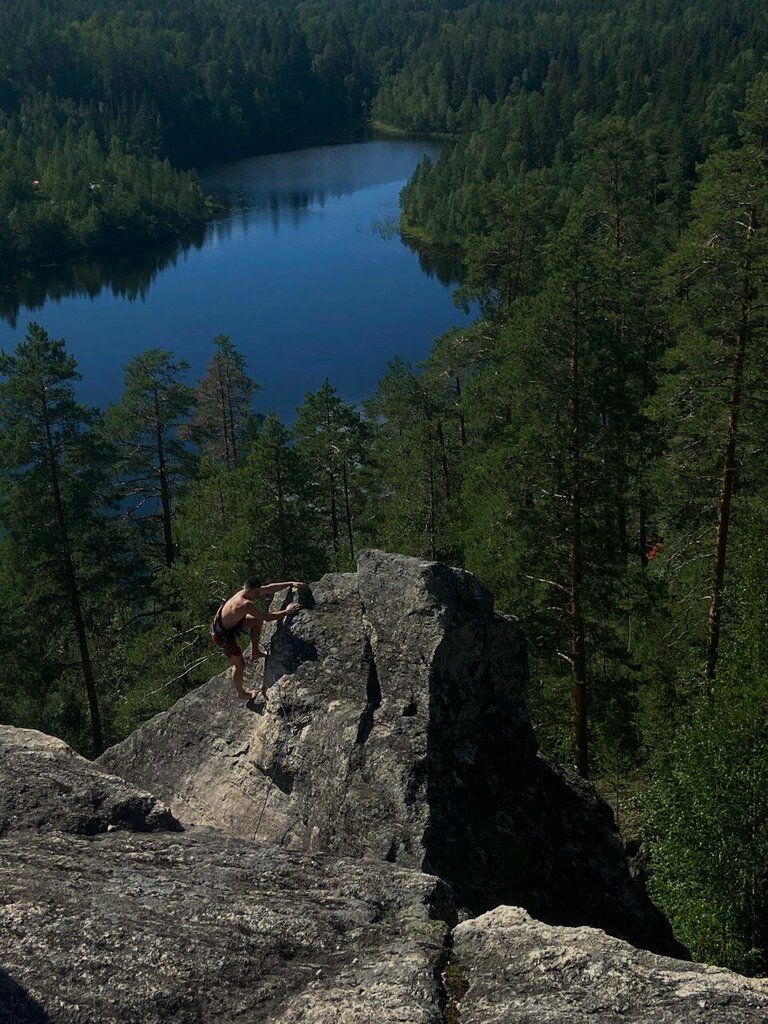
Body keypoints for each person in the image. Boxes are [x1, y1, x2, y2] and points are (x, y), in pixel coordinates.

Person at [210, 577, 303, 700]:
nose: (258, 595)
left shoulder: (244, 590)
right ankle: (241, 693)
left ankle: (255, 652)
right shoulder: (244, 604)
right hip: (222, 635)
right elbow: (267, 617)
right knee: (240, 665)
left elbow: (269, 588)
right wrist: (287, 611)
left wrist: (290, 583)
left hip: (230, 625)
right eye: (257, 593)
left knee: (256, 620)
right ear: (249, 590)